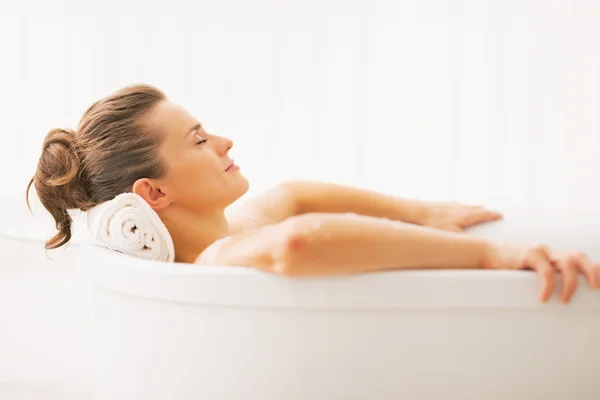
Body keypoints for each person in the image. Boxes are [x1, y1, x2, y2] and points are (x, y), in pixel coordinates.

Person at [27, 84, 600, 304]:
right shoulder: (216, 260)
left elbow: (294, 198)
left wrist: (424, 211)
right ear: (152, 192)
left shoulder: (236, 228)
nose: (225, 142)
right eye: (199, 139)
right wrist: (492, 256)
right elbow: (298, 243)